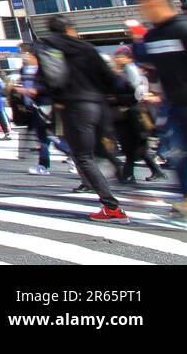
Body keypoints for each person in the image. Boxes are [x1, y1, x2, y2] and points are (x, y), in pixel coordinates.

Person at [39, 16, 128, 223]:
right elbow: (109, 77)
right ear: (69, 28)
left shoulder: (49, 46)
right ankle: (123, 176)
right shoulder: (86, 47)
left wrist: (57, 98)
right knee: (98, 149)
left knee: (83, 157)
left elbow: (50, 78)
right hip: (98, 105)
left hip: (74, 106)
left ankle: (111, 206)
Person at [132, 0, 187, 217]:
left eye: (144, 5)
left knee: (184, 151)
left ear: (155, 3)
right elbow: (143, 58)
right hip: (175, 102)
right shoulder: (153, 36)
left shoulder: (184, 29)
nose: (143, 10)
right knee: (180, 152)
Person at [110, 45, 164, 184]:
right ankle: (154, 171)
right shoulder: (124, 70)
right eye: (117, 56)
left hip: (132, 112)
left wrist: (119, 98)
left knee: (133, 144)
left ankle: (128, 175)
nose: (118, 58)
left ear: (128, 57)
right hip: (128, 112)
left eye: (121, 56)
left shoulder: (130, 69)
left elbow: (137, 92)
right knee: (136, 146)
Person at [16, 49, 73, 176]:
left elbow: (47, 88)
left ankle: (69, 156)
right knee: (45, 137)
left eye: (29, 55)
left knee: (47, 136)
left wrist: (28, 91)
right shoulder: (35, 70)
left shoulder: (45, 70)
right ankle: (45, 164)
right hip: (40, 105)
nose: (26, 58)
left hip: (45, 105)